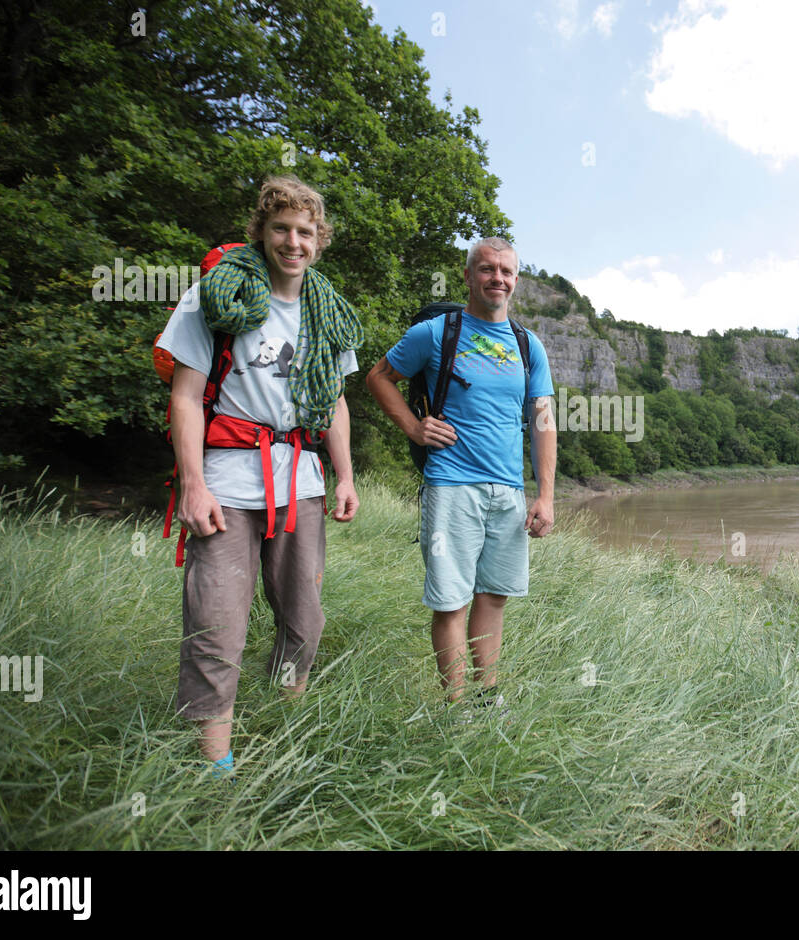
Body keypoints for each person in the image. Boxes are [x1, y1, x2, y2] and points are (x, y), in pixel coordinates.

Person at [157, 175, 363, 775]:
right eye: (281, 228)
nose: (292, 241)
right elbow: (187, 396)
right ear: (262, 232)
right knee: (216, 619)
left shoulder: (327, 310)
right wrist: (193, 483)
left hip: (301, 480)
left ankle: (285, 719)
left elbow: (337, 402)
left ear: (319, 240)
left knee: (304, 618)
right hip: (226, 479)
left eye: (305, 231)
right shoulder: (215, 296)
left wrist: (345, 476)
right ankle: (214, 763)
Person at [366, 237, 556, 710]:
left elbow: (543, 420)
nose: (498, 278)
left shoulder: (527, 344)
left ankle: (486, 698)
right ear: (469, 277)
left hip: (508, 491)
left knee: (493, 597)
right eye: (488, 269)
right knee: (451, 600)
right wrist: (413, 427)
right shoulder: (436, 333)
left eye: (507, 272)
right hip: (451, 485)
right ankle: (455, 707)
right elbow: (377, 378)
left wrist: (546, 494)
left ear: (515, 281)